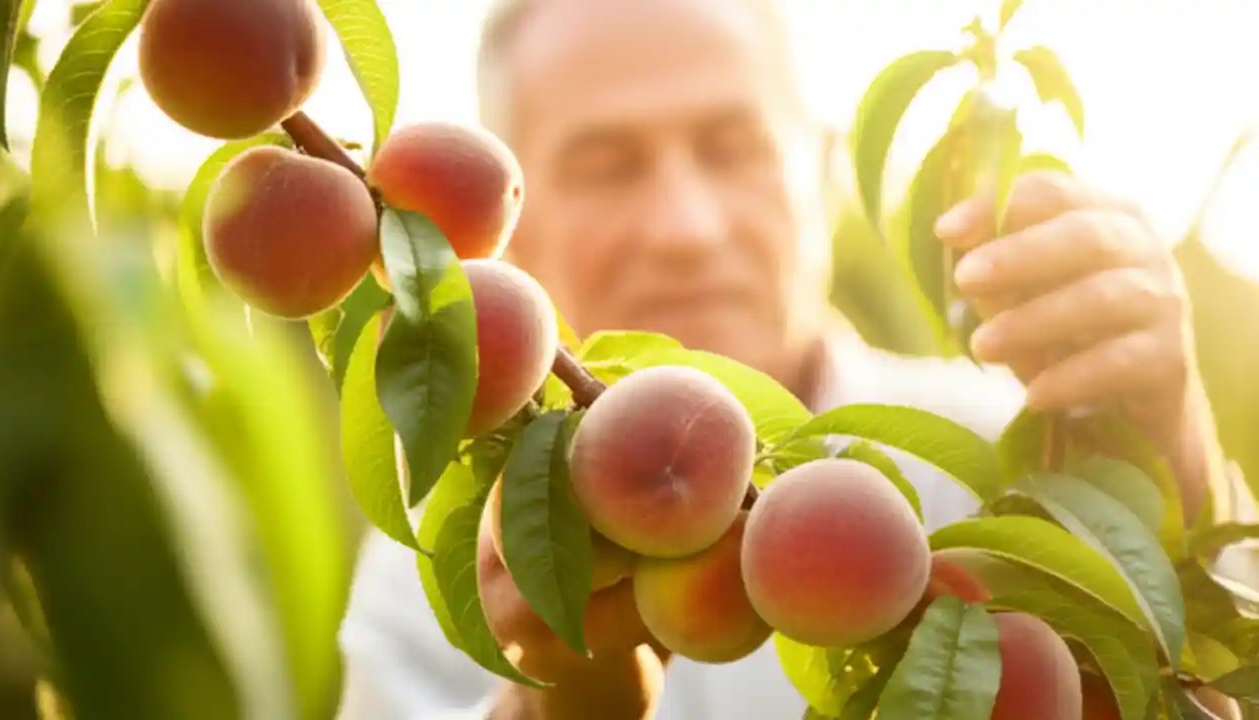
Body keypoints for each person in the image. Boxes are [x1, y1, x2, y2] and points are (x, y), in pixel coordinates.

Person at [336, 0, 1258, 718]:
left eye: (732, 147)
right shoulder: (451, 557)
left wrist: (1174, 468)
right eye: (607, 164)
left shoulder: (996, 460)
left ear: (819, 173)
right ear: (512, 219)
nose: (687, 229)